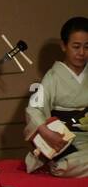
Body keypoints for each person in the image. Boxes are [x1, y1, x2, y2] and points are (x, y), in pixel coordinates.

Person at [24, 15, 88, 178]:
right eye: (76, 46)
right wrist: (46, 133)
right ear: (64, 46)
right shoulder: (52, 77)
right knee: (64, 166)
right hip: (66, 144)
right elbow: (34, 109)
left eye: (87, 47)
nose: (82, 53)